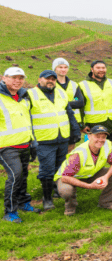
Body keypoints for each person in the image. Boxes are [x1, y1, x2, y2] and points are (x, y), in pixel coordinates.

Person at [26, 70, 81, 211]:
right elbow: (26, 119)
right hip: (44, 140)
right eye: (47, 78)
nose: (50, 81)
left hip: (62, 138)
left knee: (61, 167)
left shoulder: (61, 93)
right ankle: (47, 198)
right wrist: (31, 140)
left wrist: (75, 132)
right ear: (39, 79)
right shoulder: (30, 94)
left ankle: (58, 191)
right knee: (47, 170)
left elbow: (69, 113)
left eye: (53, 79)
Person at [1, 67, 41, 222]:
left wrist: (32, 142)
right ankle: (9, 212)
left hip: (25, 143)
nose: (18, 81)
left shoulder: (24, 97)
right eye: (13, 77)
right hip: (5, 146)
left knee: (23, 175)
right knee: (15, 175)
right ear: (4, 78)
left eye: (21, 78)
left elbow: (27, 121)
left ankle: (23, 202)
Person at [54, 125, 112, 216]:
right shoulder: (79, 153)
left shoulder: (107, 144)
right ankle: (70, 207)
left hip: (90, 174)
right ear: (89, 136)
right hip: (68, 177)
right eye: (97, 136)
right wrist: (90, 186)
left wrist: (106, 177)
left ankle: (106, 202)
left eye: (103, 137)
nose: (100, 140)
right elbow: (66, 178)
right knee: (67, 190)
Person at [78, 60, 112, 161]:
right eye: (98, 68)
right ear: (92, 69)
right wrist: (81, 124)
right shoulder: (82, 85)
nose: (101, 70)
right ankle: (92, 174)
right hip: (94, 124)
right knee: (93, 151)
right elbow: (79, 107)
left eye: (103, 68)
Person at [52, 58, 86, 138]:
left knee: (71, 147)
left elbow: (80, 102)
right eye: (60, 67)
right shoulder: (51, 84)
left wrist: (62, 104)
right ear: (54, 68)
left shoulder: (74, 85)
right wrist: (73, 101)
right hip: (57, 121)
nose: (63, 69)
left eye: (65, 67)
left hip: (73, 121)